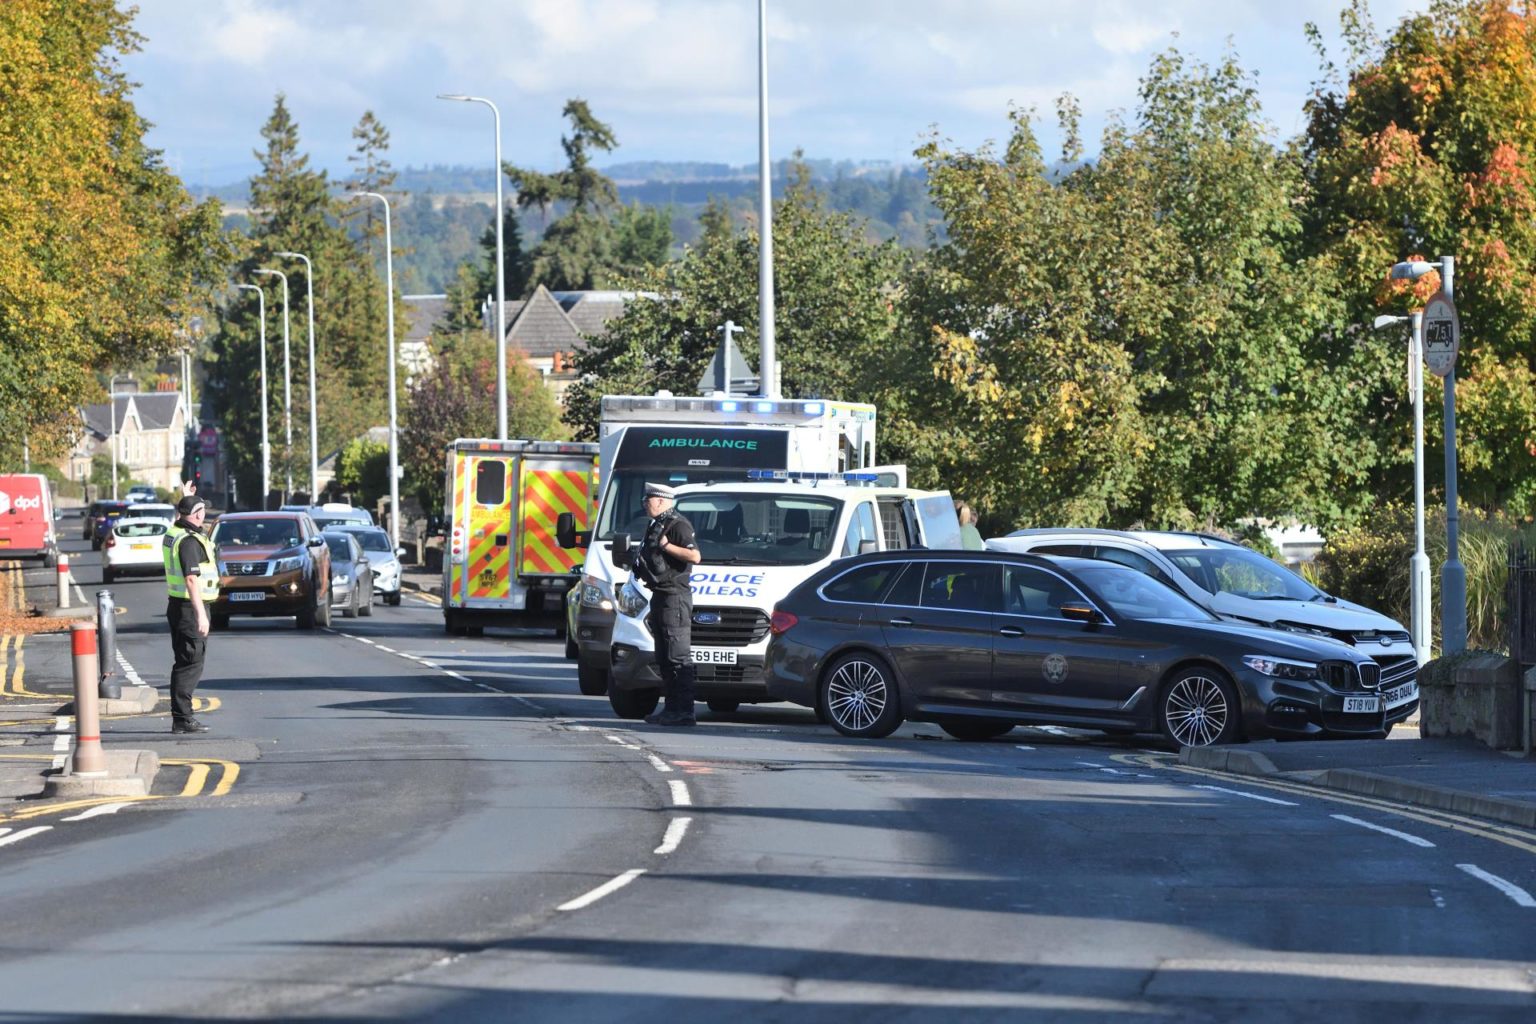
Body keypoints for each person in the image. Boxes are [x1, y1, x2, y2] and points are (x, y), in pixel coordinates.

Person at [632, 482, 701, 727]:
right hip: (661, 596)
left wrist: (667, 546)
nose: (644, 504)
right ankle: (671, 709)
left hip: (675, 597)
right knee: (664, 656)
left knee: (677, 657)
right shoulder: (658, 523)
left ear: (660, 500)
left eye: (647, 499)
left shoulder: (678, 525)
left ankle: (684, 711)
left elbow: (695, 556)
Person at [161, 484, 218, 734]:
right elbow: (191, 579)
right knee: (191, 663)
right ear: (197, 515)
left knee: (183, 661)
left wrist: (186, 498)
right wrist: (200, 614)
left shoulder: (175, 531)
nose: (205, 514)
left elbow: (181, 517)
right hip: (188, 607)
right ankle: (183, 718)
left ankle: (180, 717)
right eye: (202, 510)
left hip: (177, 605)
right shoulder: (189, 542)